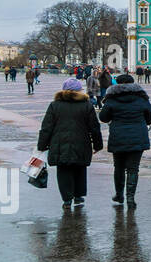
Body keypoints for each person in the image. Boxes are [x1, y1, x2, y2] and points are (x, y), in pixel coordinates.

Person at [37, 77, 102, 211]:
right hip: (82, 143)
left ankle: (67, 199)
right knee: (80, 168)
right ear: (79, 91)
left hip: (60, 144)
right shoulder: (86, 105)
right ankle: (78, 195)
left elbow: (46, 128)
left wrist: (42, 145)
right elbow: (94, 127)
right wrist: (97, 145)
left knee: (64, 170)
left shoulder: (55, 105)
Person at [100, 72, 151, 209]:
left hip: (118, 137)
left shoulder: (111, 99)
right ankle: (131, 198)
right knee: (133, 169)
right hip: (138, 137)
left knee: (118, 167)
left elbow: (103, 117)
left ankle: (119, 195)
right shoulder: (141, 99)